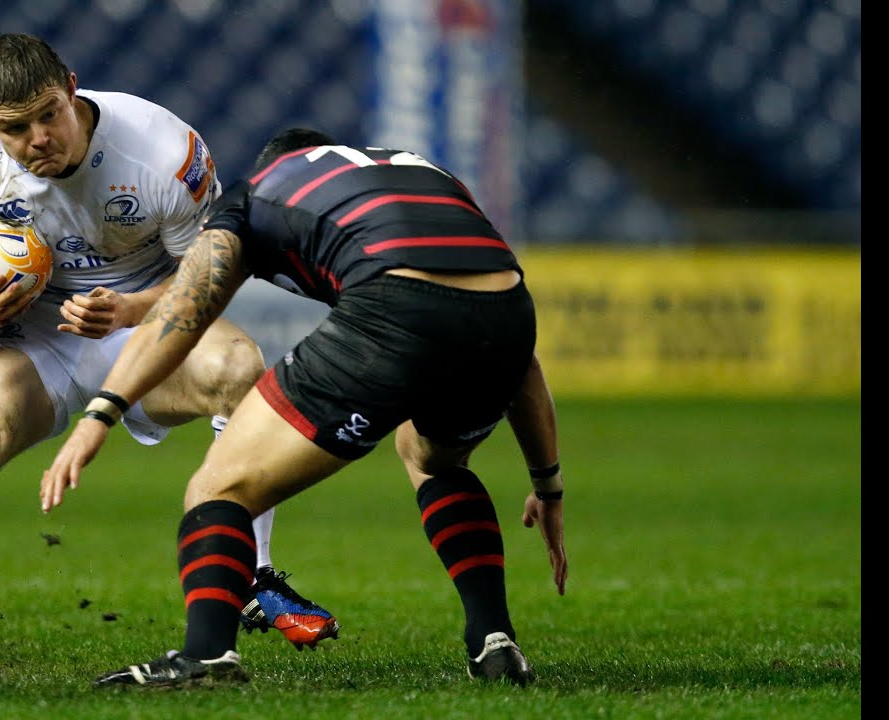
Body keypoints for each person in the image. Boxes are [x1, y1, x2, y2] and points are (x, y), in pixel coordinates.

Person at [0, 35, 337, 682]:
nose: (38, 137)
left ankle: (255, 575)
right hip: (37, 339)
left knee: (238, 366)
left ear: (72, 86)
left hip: (147, 325)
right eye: (15, 127)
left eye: (49, 114)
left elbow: (209, 277)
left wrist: (130, 310)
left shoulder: (163, 152)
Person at [39, 128, 569, 688]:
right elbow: (525, 366)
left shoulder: (256, 195)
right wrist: (548, 486)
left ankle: (207, 655)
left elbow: (182, 314)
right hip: (508, 317)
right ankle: (494, 642)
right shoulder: (419, 173)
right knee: (430, 457)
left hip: (395, 305)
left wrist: (102, 413)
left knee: (218, 489)